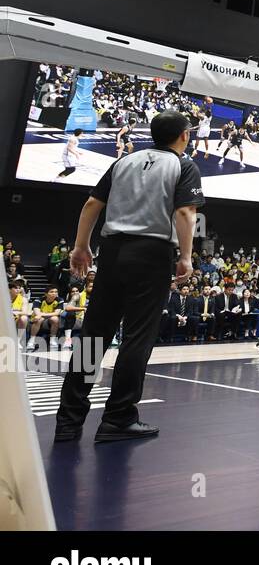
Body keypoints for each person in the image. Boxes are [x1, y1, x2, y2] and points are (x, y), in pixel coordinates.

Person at [55, 110, 204, 443]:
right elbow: (184, 212)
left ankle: (68, 421)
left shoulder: (124, 161)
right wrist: (185, 256)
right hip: (151, 255)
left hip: (112, 251)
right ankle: (118, 418)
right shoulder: (184, 165)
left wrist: (81, 247)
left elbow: (92, 204)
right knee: (137, 338)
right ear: (183, 136)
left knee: (94, 336)